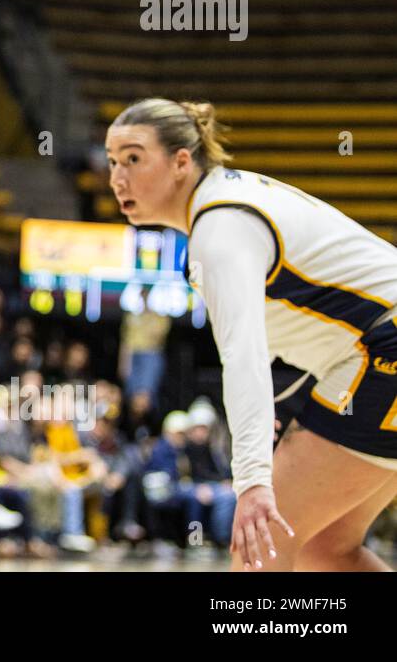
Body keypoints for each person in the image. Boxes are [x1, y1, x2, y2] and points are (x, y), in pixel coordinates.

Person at [106, 97, 397, 571]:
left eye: (134, 159)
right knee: (326, 549)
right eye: (113, 161)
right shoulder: (227, 204)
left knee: (259, 546)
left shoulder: (220, 228)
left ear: (182, 161)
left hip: (384, 354)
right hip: (373, 352)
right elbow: (316, 333)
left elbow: (244, 358)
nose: (118, 177)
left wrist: (253, 481)